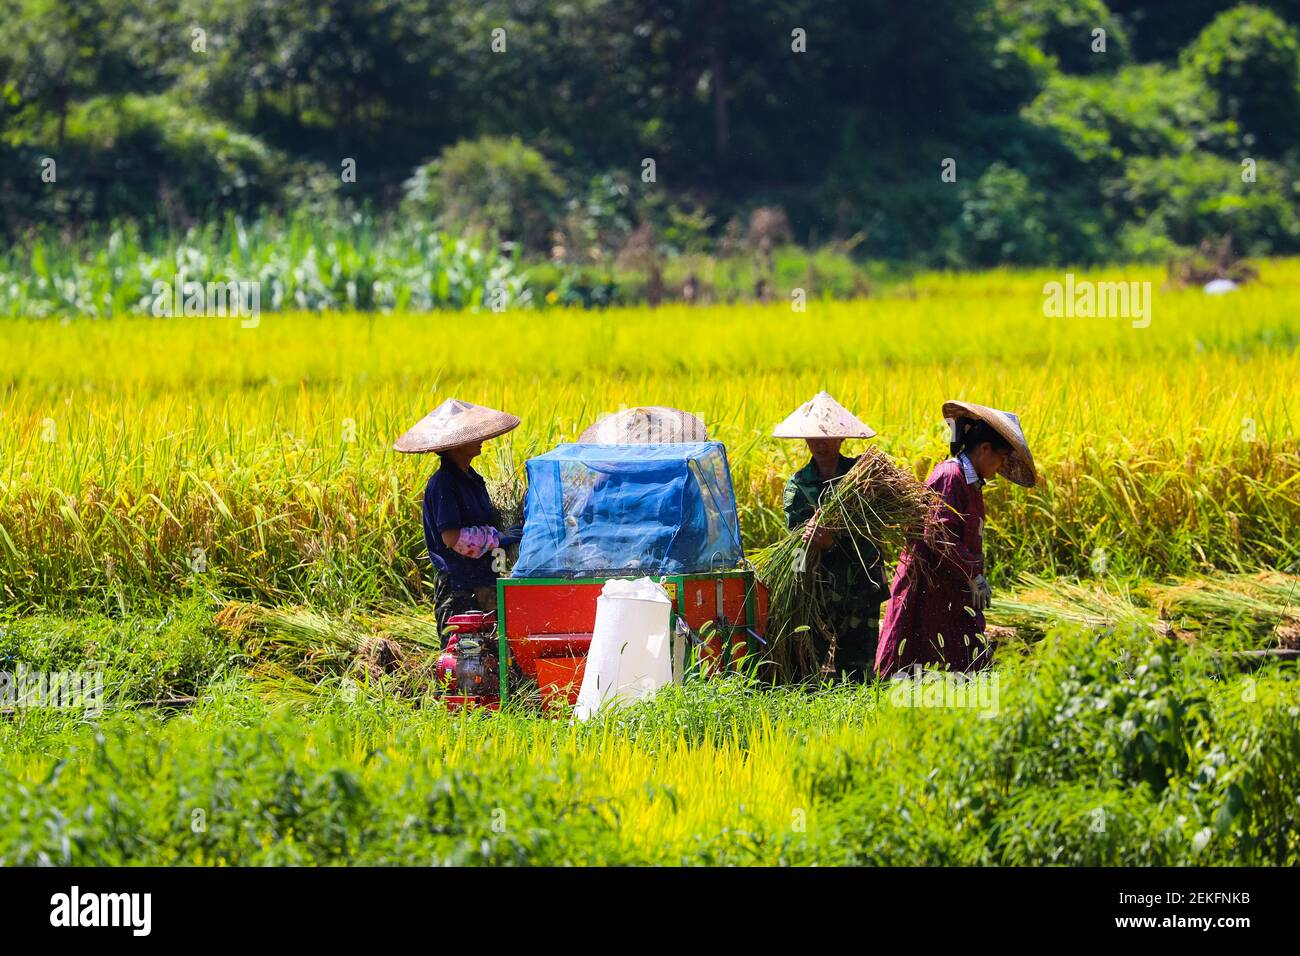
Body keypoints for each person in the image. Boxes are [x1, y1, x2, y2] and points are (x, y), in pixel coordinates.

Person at [874, 400, 1037, 678]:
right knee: (917, 660)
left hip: (950, 587)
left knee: (955, 662)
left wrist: (972, 574)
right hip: (928, 584)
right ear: (984, 449)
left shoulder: (971, 482)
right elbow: (938, 534)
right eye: (999, 458)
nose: (999, 467)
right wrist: (973, 574)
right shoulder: (951, 476)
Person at [774, 391, 889, 680]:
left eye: (828, 435)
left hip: (861, 586)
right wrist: (813, 541)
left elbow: (875, 532)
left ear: (842, 438)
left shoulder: (862, 478)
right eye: (813, 436)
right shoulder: (798, 485)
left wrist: (834, 543)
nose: (820, 443)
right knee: (806, 672)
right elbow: (796, 538)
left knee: (858, 673)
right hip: (818, 589)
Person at [393, 398, 523, 635]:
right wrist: (498, 538)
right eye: (473, 435)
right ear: (455, 444)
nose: (481, 438)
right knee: (463, 657)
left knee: (492, 653)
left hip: (484, 578)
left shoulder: (473, 479)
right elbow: (452, 538)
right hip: (459, 586)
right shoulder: (445, 483)